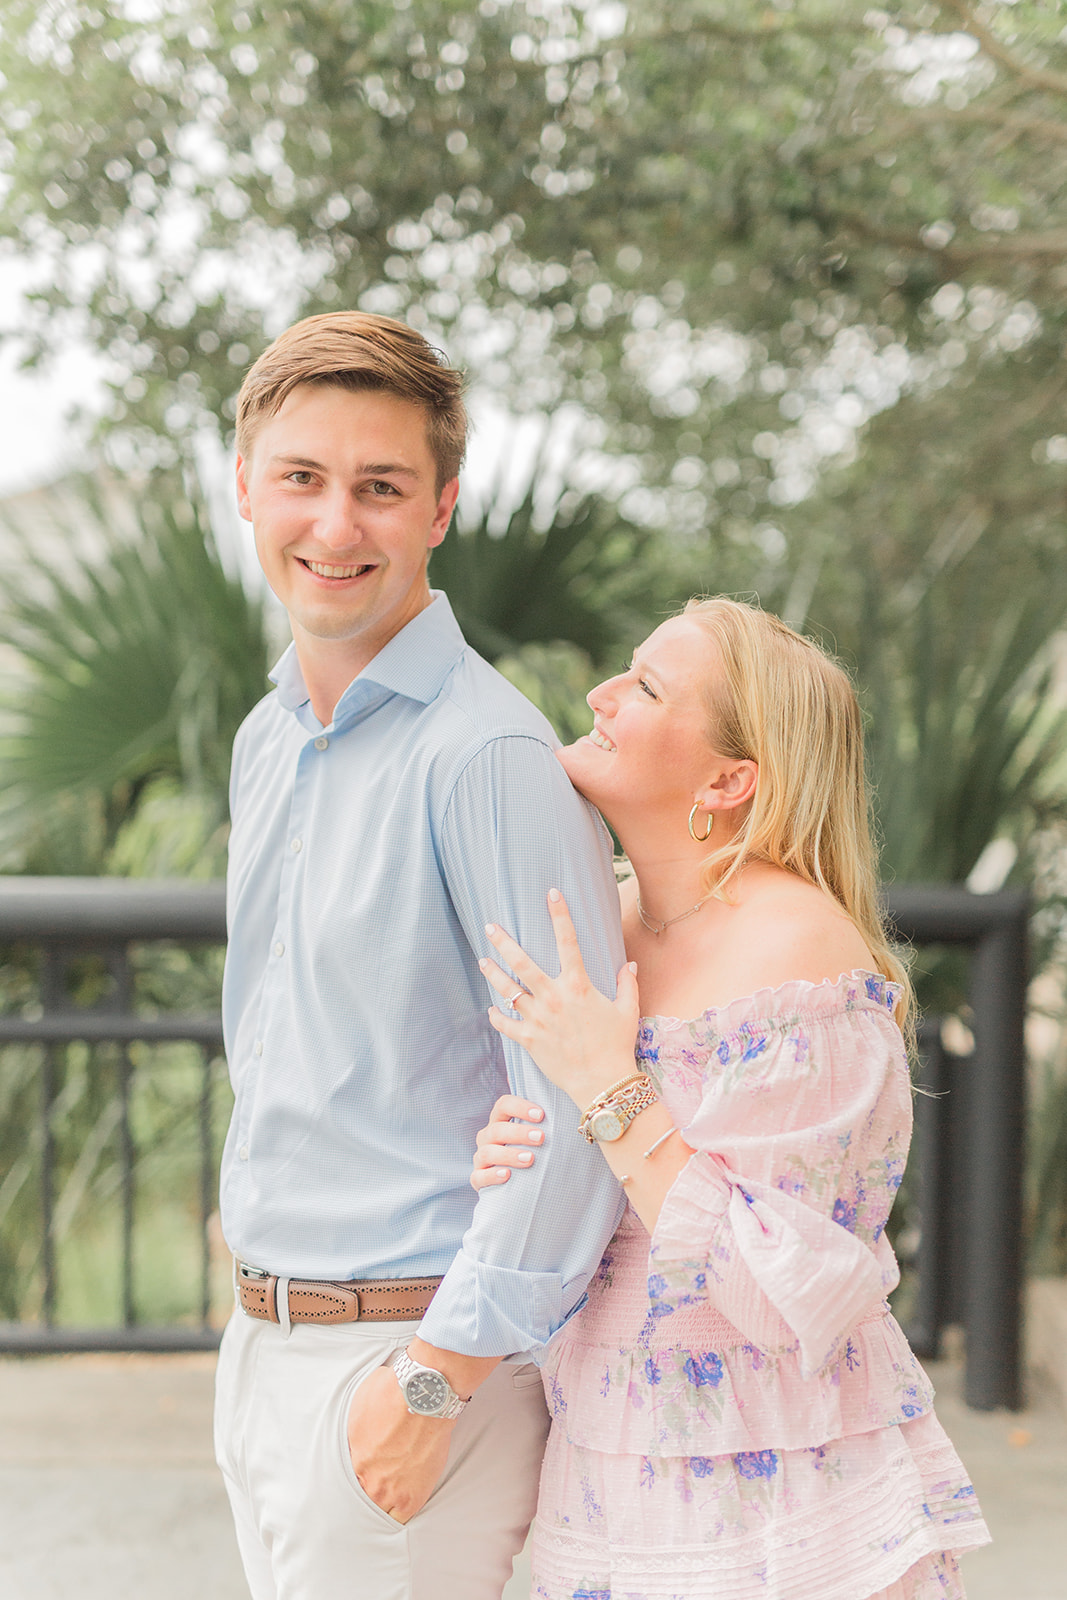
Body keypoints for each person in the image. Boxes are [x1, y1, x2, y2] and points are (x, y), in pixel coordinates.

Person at [213, 310, 628, 1600]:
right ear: (245, 486)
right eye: (302, 477)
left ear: (439, 508)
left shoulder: (486, 756)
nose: (335, 525)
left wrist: (432, 1382)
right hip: (265, 1350)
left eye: (380, 487)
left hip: (410, 1356)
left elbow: (577, 1103)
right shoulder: (267, 739)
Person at [470, 597, 991, 1600]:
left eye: (644, 686)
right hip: (607, 1470)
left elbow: (779, 1291)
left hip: (781, 1495)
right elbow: (584, 1178)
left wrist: (606, 1088)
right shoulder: (600, 917)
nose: (600, 695)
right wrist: (508, 1146)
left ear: (726, 780)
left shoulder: (800, 955)